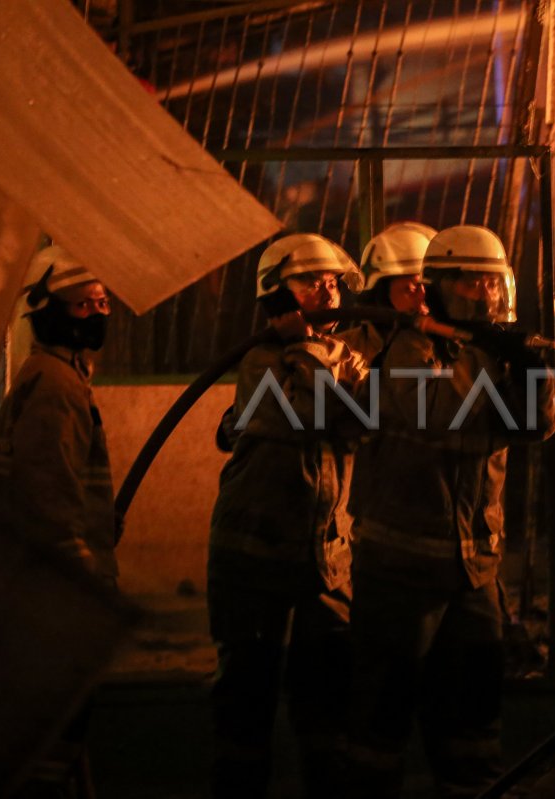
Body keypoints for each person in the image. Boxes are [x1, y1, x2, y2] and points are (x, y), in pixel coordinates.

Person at [346, 224, 555, 798]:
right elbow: (441, 413)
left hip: (474, 575)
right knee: (379, 729)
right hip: (400, 573)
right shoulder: (403, 349)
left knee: (473, 735)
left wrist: (532, 367)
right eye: (471, 283)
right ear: (437, 286)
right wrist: (497, 361)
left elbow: (537, 424)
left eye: (492, 283)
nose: (486, 296)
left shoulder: (483, 350)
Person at [207, 232, 367, 798]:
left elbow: (360, 417)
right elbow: (314, 412)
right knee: (247, 696)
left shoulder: (343, 355)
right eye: (311, 281)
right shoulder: (262, 360)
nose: (329, 289)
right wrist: (302, 347)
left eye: (333, 280)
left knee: (326, 696)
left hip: (323, 559)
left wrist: (310, 349)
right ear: (276, 297)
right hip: (253, 557)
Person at [0, 245, 117, 584]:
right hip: (57, 583)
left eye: (102, 303)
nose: (96, 314)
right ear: (50, 315)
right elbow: (48, 496)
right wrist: (86, 576)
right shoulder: (55, 385)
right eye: (82, 305)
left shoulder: (62, 374)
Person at [338, 221, 436, 364]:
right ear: (382, 296)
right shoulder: (344, 352)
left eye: (427, 287)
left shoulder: (452, 348)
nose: (422, 297)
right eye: (410, 289)